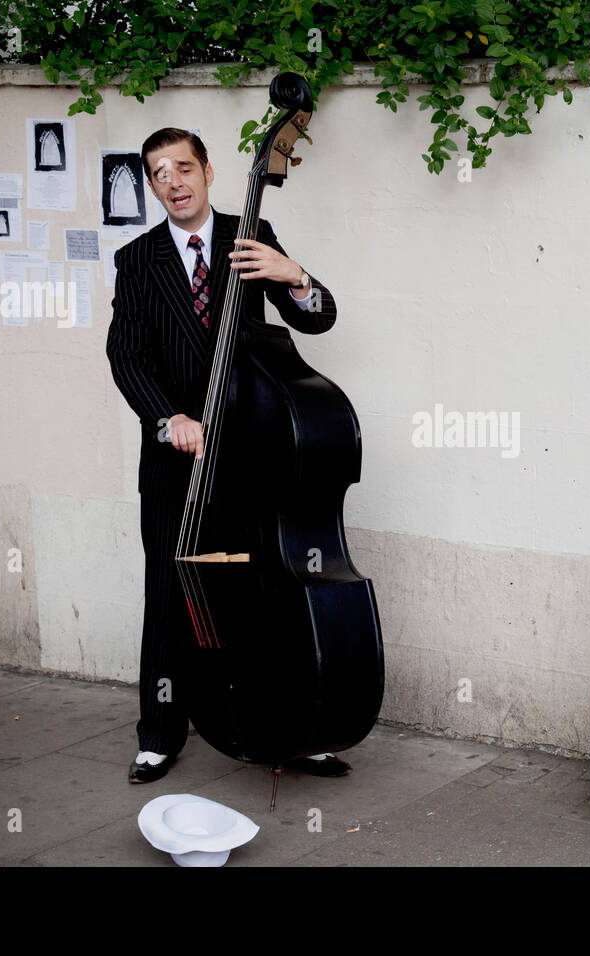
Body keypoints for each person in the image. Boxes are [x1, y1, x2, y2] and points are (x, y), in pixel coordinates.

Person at [106, 127, 350, 784]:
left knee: (264, 592)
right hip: (174, 462)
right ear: (152, 187)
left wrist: (295, 276)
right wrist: (170, 418)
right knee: (171, 595)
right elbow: (125, 357)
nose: (174, 181)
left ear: (208, 171)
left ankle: (298, 728)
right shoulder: (136, 261)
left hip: (253, 456)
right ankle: (159, 734)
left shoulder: (250, 234)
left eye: (183, 166)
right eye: (159, 173)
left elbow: (318, 319)